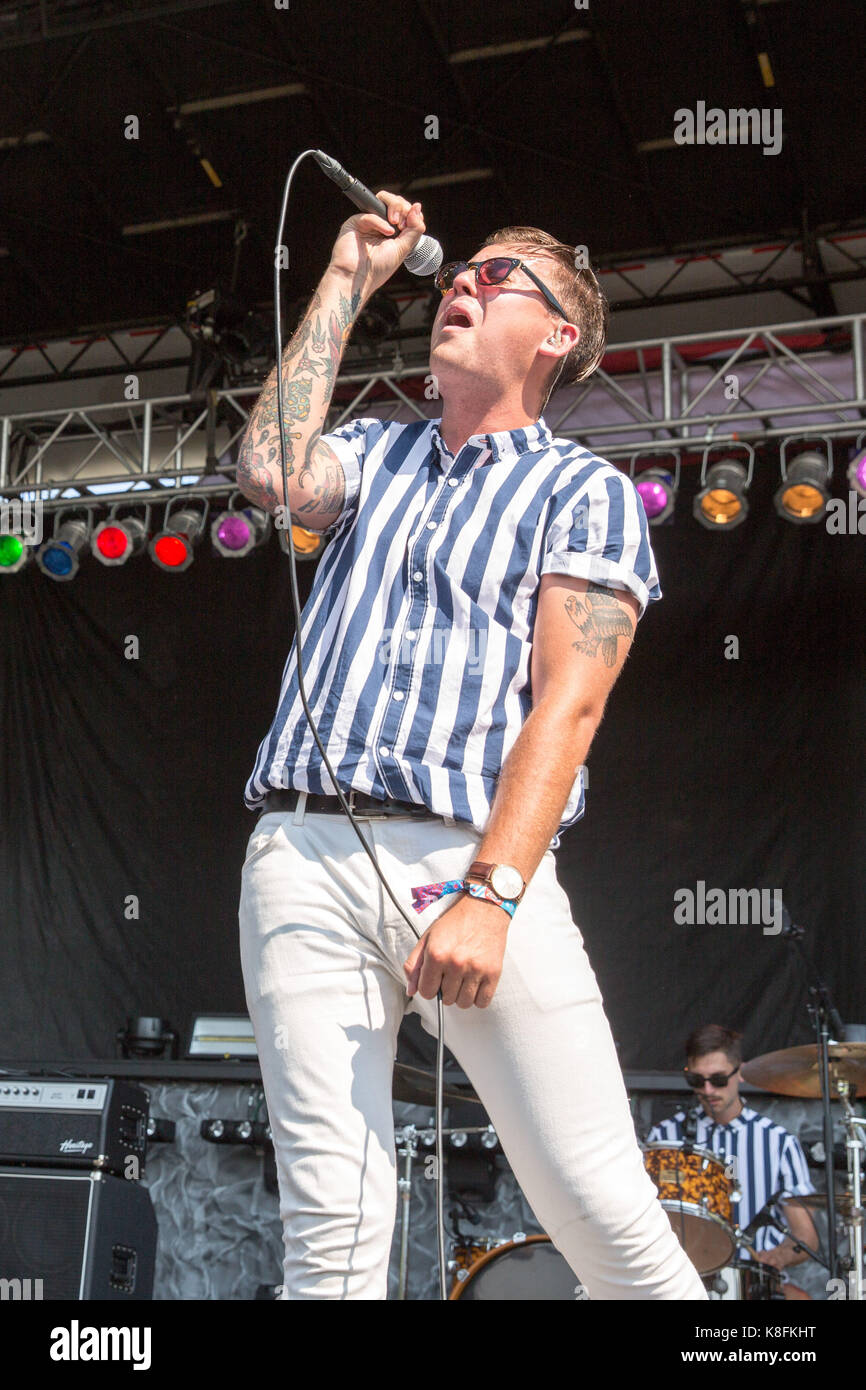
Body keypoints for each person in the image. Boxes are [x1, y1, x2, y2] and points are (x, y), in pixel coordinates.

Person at [235, 188, 706, 1300]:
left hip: (468, 855)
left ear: (559, 336)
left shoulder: (581, 491)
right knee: (331, 1226)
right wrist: (348, 276)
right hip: (301, 847)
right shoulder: (372, 455)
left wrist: (491, 895)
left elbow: (566, 710)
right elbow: (265, 469)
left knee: (602, 1213)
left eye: (496, 278)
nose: (459, 282)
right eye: (460, 271)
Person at [646, 1025, 818, 1293]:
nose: (707, 1090)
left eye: (718, 1079)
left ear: (740, 1073)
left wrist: (779, 1256)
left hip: (755, 1284)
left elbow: (806, 1237)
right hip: (684, 1282)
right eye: (696, 1080)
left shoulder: (779, 1142)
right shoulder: (665, 1136)